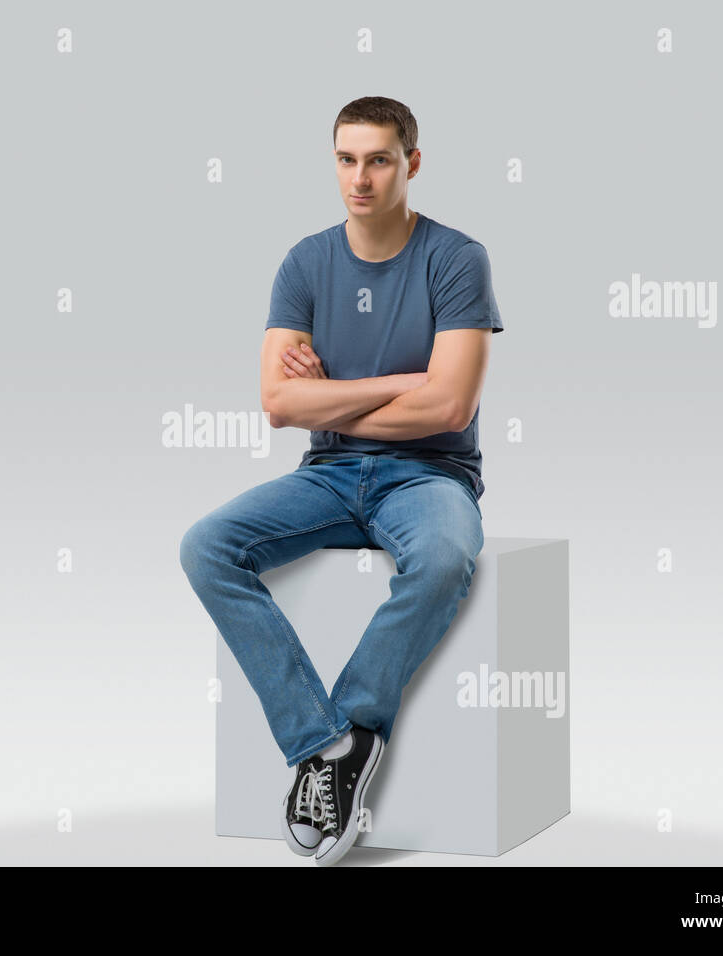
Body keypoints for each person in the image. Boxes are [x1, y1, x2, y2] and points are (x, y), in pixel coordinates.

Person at [179, 96, 504, 866]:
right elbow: (278, 404)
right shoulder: (305, 262)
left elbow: (452, 403)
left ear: (411, 164)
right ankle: (320, 745)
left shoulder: (457, 258)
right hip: (326, 475)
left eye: (379, 159)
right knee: (206, 547)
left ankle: (356, 725)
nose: (360, 178)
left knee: (446, 557)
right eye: (346, 159)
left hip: (429, 473)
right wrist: (401, 381)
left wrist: (332, 396)